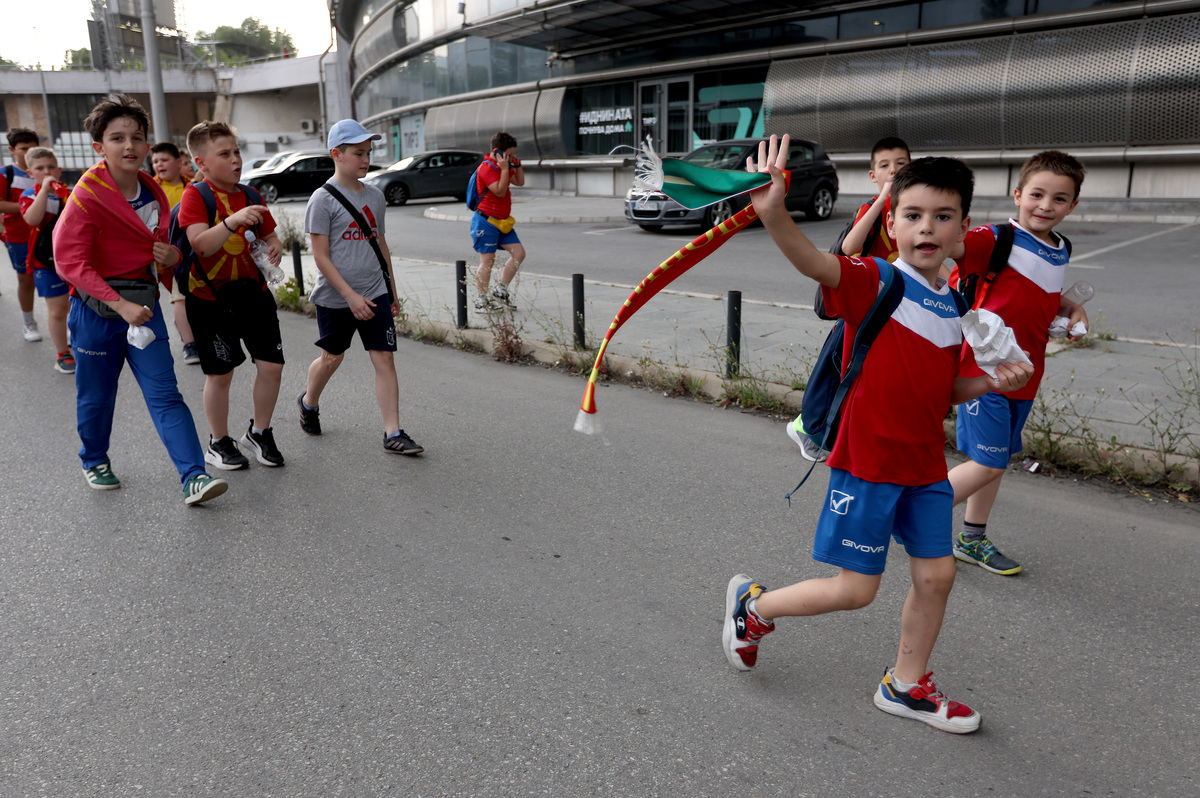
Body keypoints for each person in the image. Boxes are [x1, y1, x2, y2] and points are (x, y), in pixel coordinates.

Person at [722, 136, 1033, 734]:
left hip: (923, 465)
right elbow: (817, 264)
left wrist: (991, 382)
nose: (927, 228)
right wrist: (773, 212)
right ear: (891, 222)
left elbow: (943, 394)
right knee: (857, 591)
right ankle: (753, 608)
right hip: (867, 461)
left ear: (962, 229)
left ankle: (907, 685)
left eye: (943, 217)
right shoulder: (876, 280)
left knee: (936, 576)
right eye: (913, 215)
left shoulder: (953, 305)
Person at [51, 94, 228, 505]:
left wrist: (173, 256)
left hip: (143, 309)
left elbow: (161, 252)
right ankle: (93, 458)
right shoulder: (85, 196)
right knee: (96, 397)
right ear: (100, 147)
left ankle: (194, 477)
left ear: (147, 145)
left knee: (165, 394)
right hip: (97, 313)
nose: (129, 146)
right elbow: (69, 262)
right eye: (117, 138)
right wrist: (120, 304)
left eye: (137, 137)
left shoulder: (153, 192)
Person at [944, 151, 1088, 576]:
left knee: (996, 461)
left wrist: (1070, 308)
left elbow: (1039, 293)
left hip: (1024, 375)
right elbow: (948, 246)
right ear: (1018, 194)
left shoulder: (1060, 248)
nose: (1046, 206)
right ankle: (906, 512)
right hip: (983, 372)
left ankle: (971, 540)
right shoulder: (994, 238)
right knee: (988, 462)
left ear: (1073, 206)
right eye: (1037, 195)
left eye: (1059, 199)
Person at [298, 119, 424, 455]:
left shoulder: (376, 196)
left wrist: (391, 291)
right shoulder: (322, 200)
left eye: (368, 152)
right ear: (336, 154)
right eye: (358, 153)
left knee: (384, 358)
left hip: (374, 292)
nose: (365, 159)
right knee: (332, 358)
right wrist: (350, 296)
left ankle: (393, 432)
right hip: (336, 298)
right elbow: (321, 258)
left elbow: (381, 246)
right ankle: (309, 402)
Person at [787, 136, 912, 457]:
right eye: (885, 166)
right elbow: (848, 248)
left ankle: (845, 430)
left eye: (901, 164)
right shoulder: (871, 208)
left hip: (892, 309)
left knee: (868, 374)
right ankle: (809, 428)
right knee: (836, 369)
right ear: (874, 175)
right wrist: (881, 201)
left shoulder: (912, 212)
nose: (894, 171)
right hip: (862, 308)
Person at [178, 120, 287, 471]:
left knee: (272, 366)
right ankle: (218, 441)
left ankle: (259, 432)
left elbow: (270, 235)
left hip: (254, 293)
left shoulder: (252, 194)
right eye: (224, 154)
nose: (235, 160)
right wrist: (232, 220)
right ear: (202, 163)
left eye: (237, 151)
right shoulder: (196, 195)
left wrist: (274, 246)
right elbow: (200, 245)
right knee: (221, 374)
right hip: (210, 299)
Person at [19, 146, 74, 373]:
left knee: (75, 305)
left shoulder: (69, 193)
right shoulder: (29, 195)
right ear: (30, 173)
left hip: (71, 259)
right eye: (39, 168)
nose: (47, 171)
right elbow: (32, 219)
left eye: (51, 167)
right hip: (45, 261)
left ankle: (80, 342)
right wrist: (43, 191)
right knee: (57, 309)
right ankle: (62, 353)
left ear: (59, 169)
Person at [150, 141, 200, 365]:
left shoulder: (193, 186)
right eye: (155, 161)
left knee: (194, 297)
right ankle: (189, 344)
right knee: (179, 297)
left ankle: (194, 334)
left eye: (164, 160)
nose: (159, 165)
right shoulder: (150, 188)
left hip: (197, 250)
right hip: (169, 255)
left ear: (179, 163)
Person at [471, 131, 526, 310]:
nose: (511, 157)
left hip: (502, 222)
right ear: (497, 151)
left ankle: (500, 291)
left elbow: (520, 182)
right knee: (488, 260)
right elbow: (500, 191)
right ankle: (481, 300)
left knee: (519, 253)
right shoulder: (487, 167)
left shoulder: (506, 164)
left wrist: (516, 165)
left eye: (513, 154)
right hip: (486, 221)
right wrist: (504, 169)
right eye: (509, 154)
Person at [2, 127, 40, 341]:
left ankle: (69, 324)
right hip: (18, 238)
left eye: (33, 148)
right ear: (12, 150)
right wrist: (30, 206)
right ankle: (29, 323)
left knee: (62, 281)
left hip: (47, 237)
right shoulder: (5, 173)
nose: (28, 153)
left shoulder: (45, 170)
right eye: (23, 149)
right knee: (26, 281)